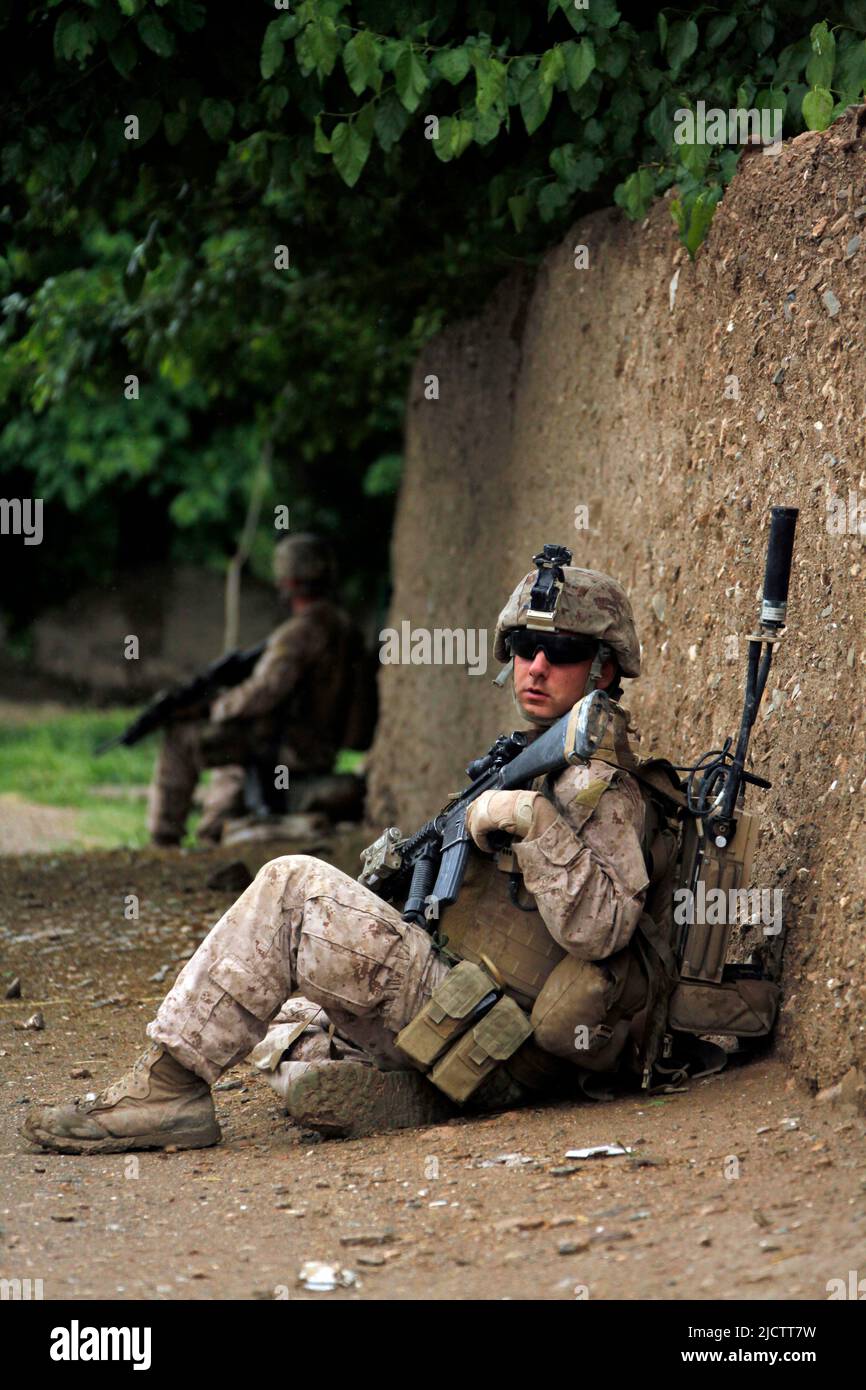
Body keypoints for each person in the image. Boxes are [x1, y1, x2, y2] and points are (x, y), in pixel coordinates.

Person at [24, 549, 656, 1155]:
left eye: (563, 652)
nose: (537, 665)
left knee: (291, 888)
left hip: (500, 1029)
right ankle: (408, 1092)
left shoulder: (595, 783)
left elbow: (603, 930)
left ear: (602, 669)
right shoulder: (533, 758)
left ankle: (169, 1091)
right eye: (523, 648)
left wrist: (528, 816)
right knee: (288, 1014)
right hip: (466, 1006)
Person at [147, 533, 364, 846]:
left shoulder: (298, 634)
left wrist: (214, 707)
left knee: (182, 737)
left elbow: (263, 692)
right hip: (320, 747)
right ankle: (214, 829)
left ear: (287, 582)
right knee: (230, 755)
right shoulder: (346, 629)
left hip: (286, 747)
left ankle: (163, 839)